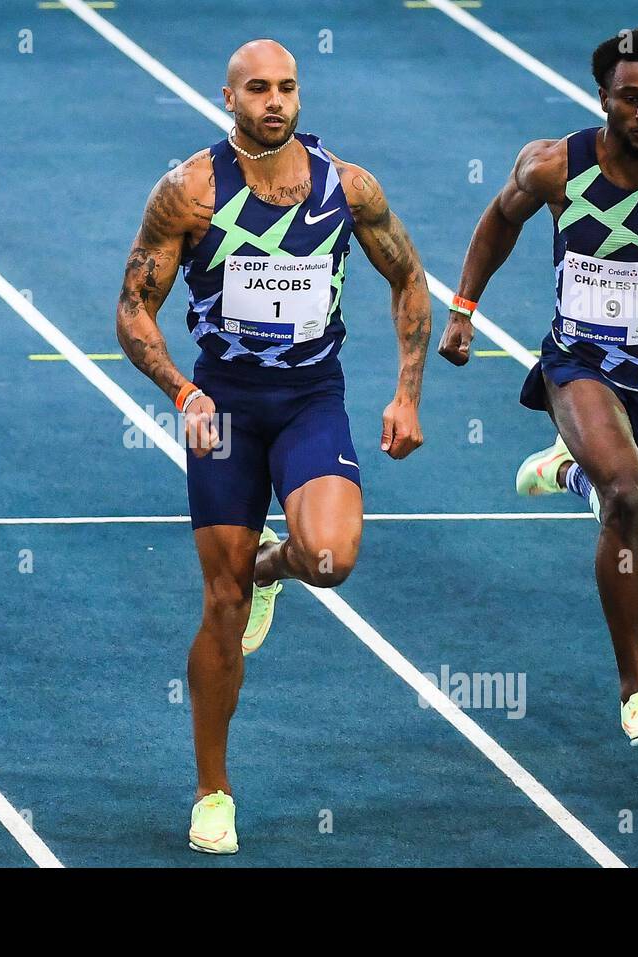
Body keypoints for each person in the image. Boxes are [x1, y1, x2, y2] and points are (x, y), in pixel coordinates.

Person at [116, 39, 431, 852]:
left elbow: (409, 277)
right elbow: (132, 309)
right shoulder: (190, 191)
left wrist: (405, 393)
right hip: (223, 408)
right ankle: (213, 791)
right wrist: (182, 393)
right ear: (228, 99)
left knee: (330, 558)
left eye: (288, 87)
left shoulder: (347, 188)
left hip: (311, 401)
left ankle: (271, 568)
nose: (276, 101)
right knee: (218, 604)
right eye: (258, 89)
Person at [437, 28, 638, 748]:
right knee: (627, 496)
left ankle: (569, 471)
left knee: (631, 529)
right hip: (576, 363)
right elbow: (497, 222)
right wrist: (461, 312)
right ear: (603, 98)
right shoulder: (556, 166)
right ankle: (636, 688)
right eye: (631, 98)